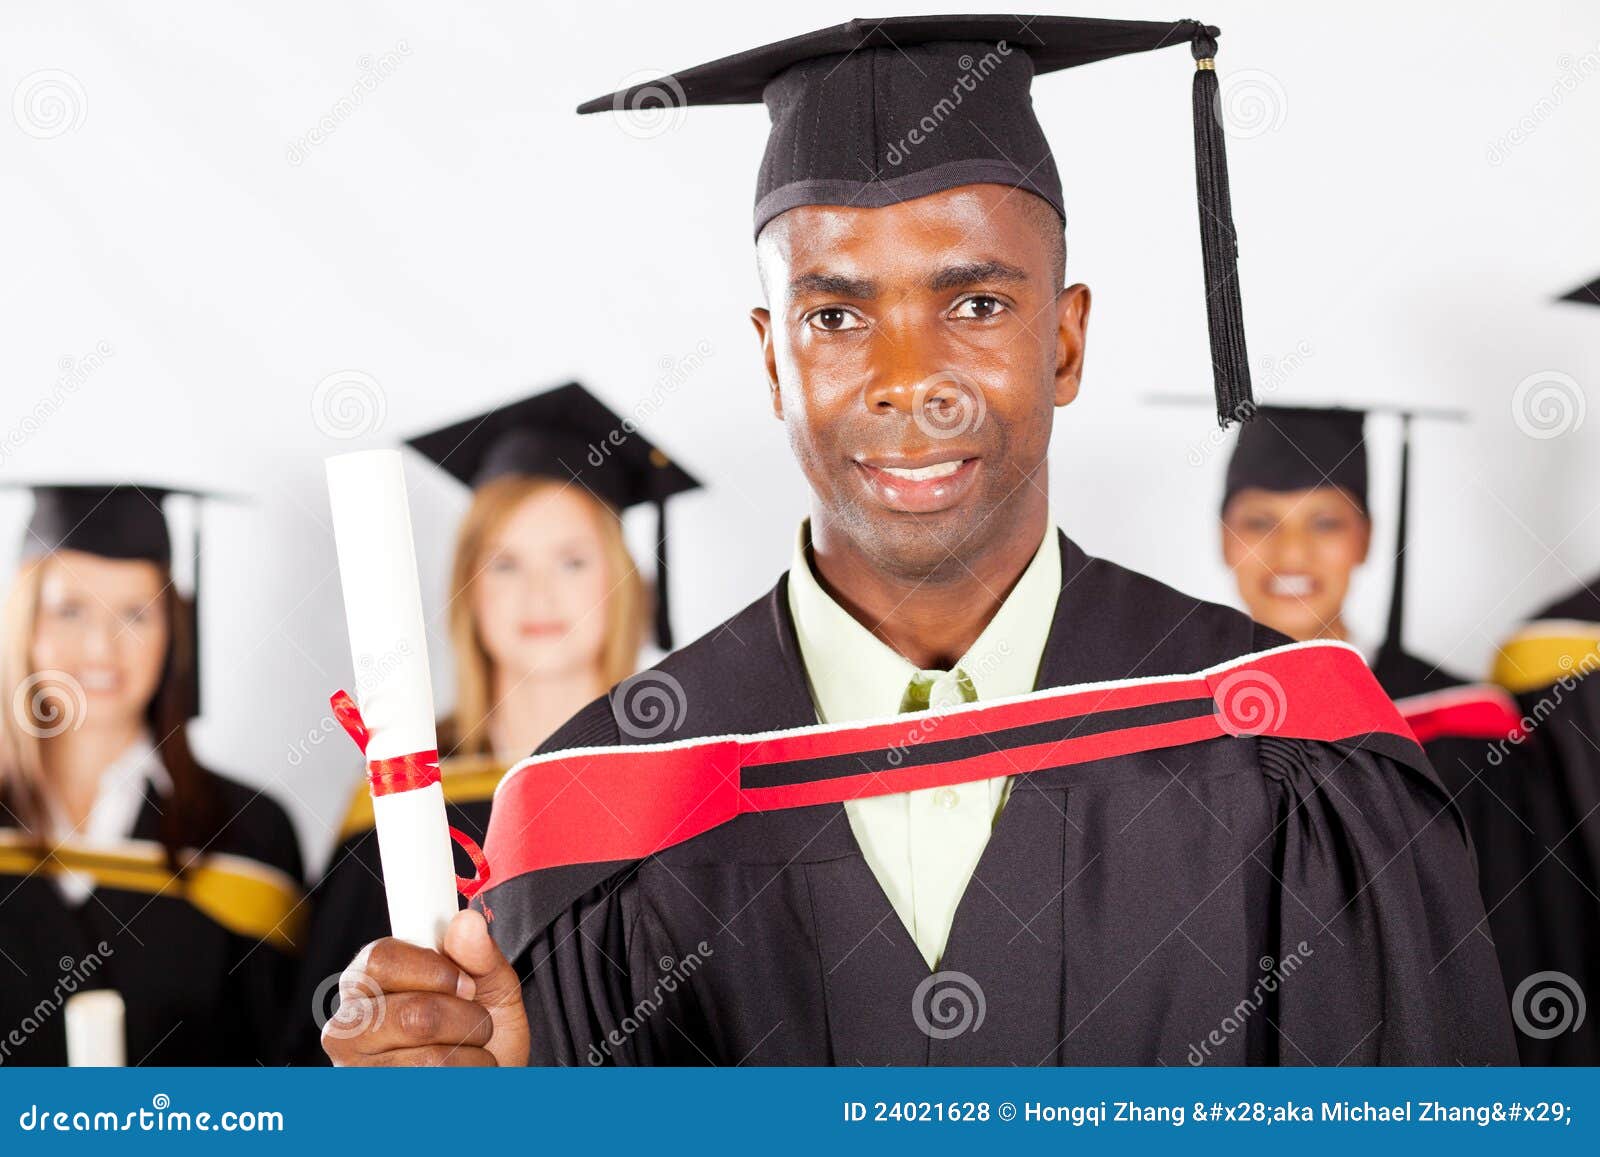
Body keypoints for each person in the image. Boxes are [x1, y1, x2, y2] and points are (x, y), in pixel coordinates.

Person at [323, 14, 1514, 1067]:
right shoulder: (602, 812)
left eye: (977, 304)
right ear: (770, 359)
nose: (907, 382)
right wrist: (489, 1116)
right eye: (835, 315)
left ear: (1064, 341)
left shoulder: (1290, 751)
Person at [283, 383, 697, 1063]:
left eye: (571, 560)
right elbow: (319, 1041)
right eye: (506, 564)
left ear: (622, 581)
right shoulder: (399, 797)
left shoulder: (679, 779)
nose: (540, 593)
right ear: (468, 590)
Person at [0, 484, 303, 1065]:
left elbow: (287, 1069)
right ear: (24, 622)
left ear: (174, 631)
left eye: (136, 614)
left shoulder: (249, 835)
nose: (101, 647)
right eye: (70, 609)